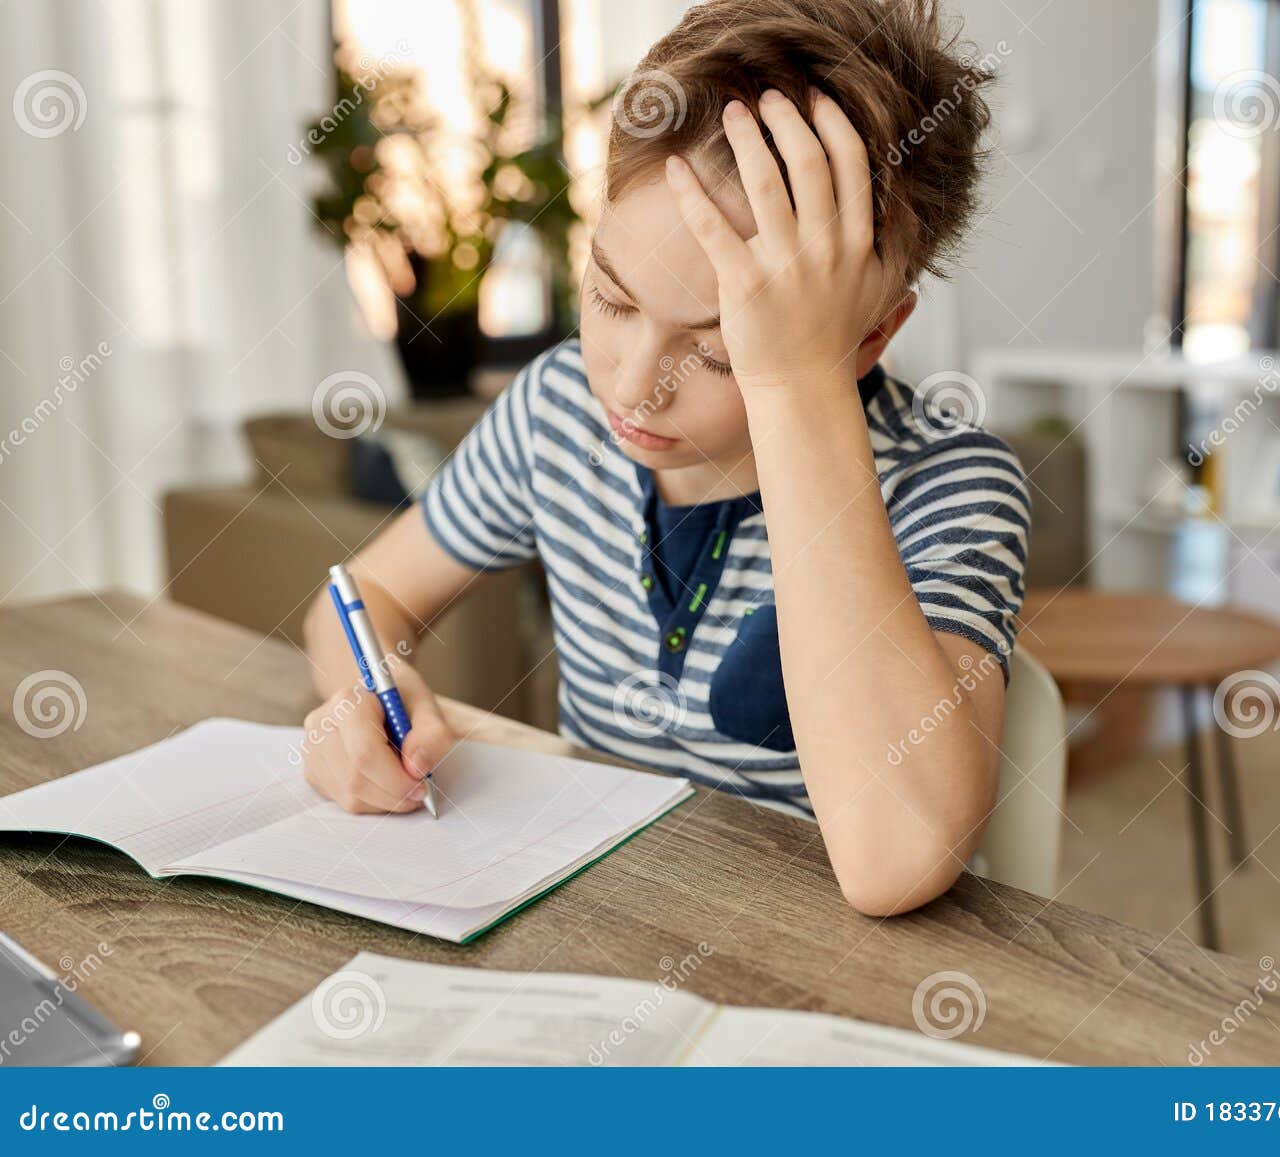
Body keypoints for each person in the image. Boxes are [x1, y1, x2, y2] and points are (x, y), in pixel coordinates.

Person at [300, 0, 1030, 917]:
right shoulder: (558, 410)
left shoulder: (948, 483)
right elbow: (364, 595)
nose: (634, 385)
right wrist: (362, 694)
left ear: (870, 338)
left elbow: (895, 861)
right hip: (600, 919)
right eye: (611, 299)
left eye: (720, 352)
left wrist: (797, 382)